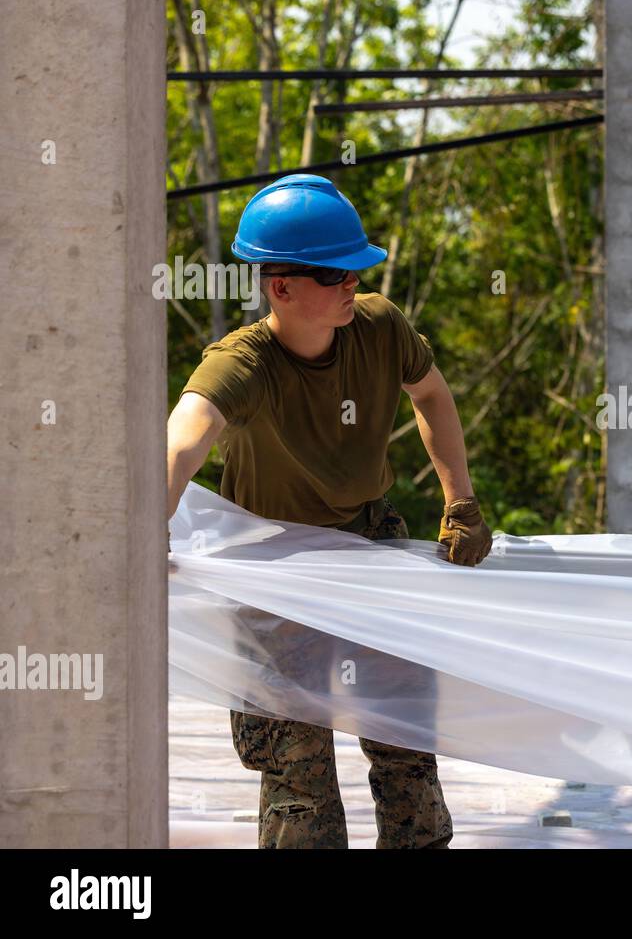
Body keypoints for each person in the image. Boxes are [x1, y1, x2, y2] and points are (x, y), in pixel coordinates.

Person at [166, 173, 491, 848]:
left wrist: (459, 497)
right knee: (296, 765)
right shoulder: (243, 364)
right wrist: (142, 537)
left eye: (355, 270)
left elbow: (431, 394)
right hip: (273, 569)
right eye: (335, 273)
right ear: (279, 287)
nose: (352, 282)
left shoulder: (378, 327)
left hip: (368, 544)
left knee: (403, 735)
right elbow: (180, 443)